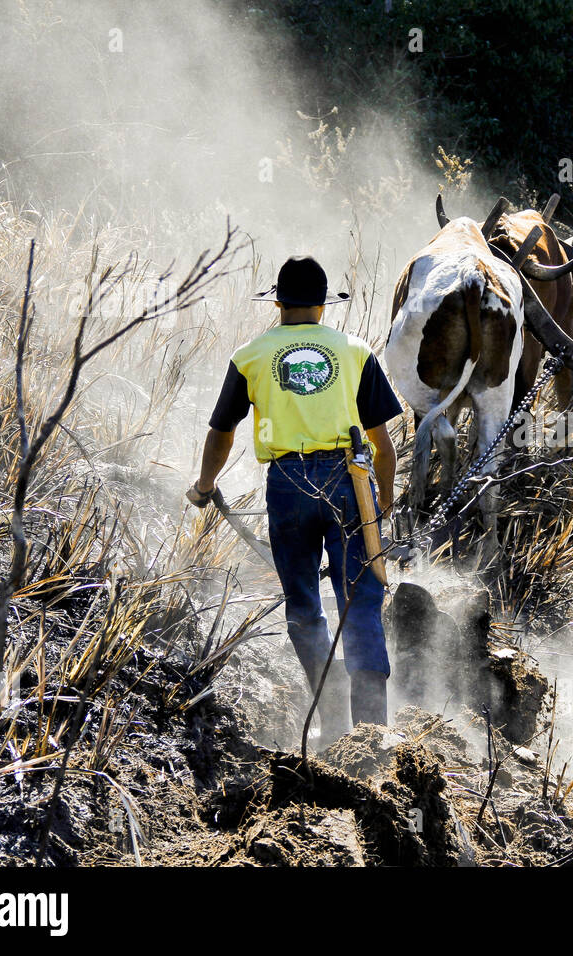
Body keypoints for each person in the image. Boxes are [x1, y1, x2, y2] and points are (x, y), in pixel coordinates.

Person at [187, 256, 404, 738]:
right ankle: (372, 731)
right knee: (361, 599)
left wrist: (205, 486)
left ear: (279, 302)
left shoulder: (250, 355)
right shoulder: (354, 351)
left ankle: (331, 719)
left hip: (286, 485)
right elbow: (382, 442)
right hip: (349, 482)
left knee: (304, 603)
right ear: (324, 307)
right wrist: (383, 499)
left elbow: (222, 431)